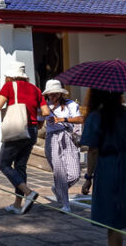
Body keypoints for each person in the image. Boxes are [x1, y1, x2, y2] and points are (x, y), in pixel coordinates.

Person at [0, 60, 50, 214]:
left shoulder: (9, 87)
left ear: (11, 76)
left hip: (17, 130)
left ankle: (28, 192)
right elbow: (45, 112)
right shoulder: (36, 89)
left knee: (4, 164)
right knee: (20, 167)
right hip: (31, 132)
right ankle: (18, 205)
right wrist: (39, 123)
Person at [79, 88, 126, 245]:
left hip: (108, 167)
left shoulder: (96, 116)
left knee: (113, 221)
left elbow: (93, 150)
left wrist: (89, 177)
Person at [42, 79, 83, 212]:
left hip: (67, 137)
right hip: (52, 139)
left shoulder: (70, 104)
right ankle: (66, 205)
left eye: (57, 94)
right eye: (51, 94)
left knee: (74, 174)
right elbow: (37, 120)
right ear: (47, 94)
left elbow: (80, 119)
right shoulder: (45, 106)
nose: (54, 96)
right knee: (60, 172)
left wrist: (62, 119)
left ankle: (57, 188)